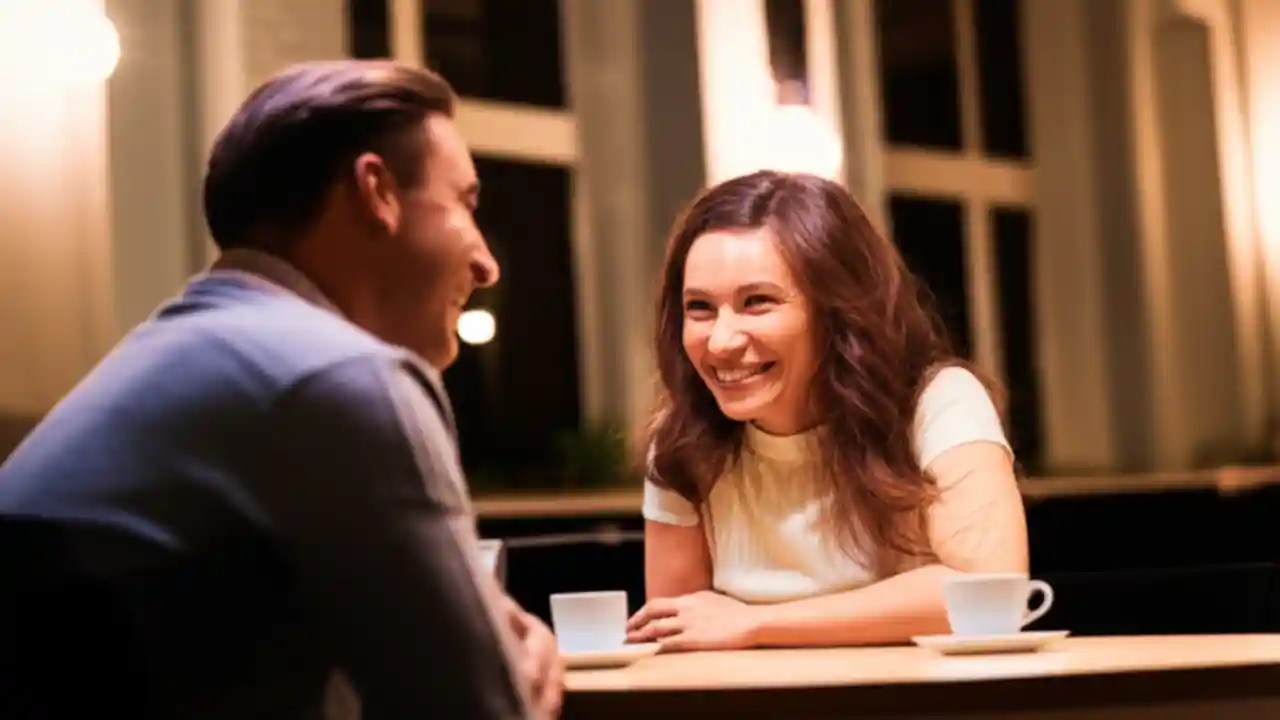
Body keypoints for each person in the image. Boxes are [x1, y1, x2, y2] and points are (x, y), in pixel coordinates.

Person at [0, 60, 560, 718]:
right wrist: (510, 663)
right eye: (465, 203)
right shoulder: (342, 377)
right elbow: (476, 709)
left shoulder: (187, 358)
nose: (488, 265)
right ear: (376, 191)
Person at [627, 171, 1029, 651]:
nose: (721, 340)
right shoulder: (681, 442)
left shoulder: (939, 401)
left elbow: (990, 592)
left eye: (757, 302)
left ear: (837, 312)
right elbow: (678, 636)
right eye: (700, 308)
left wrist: (758, 625)